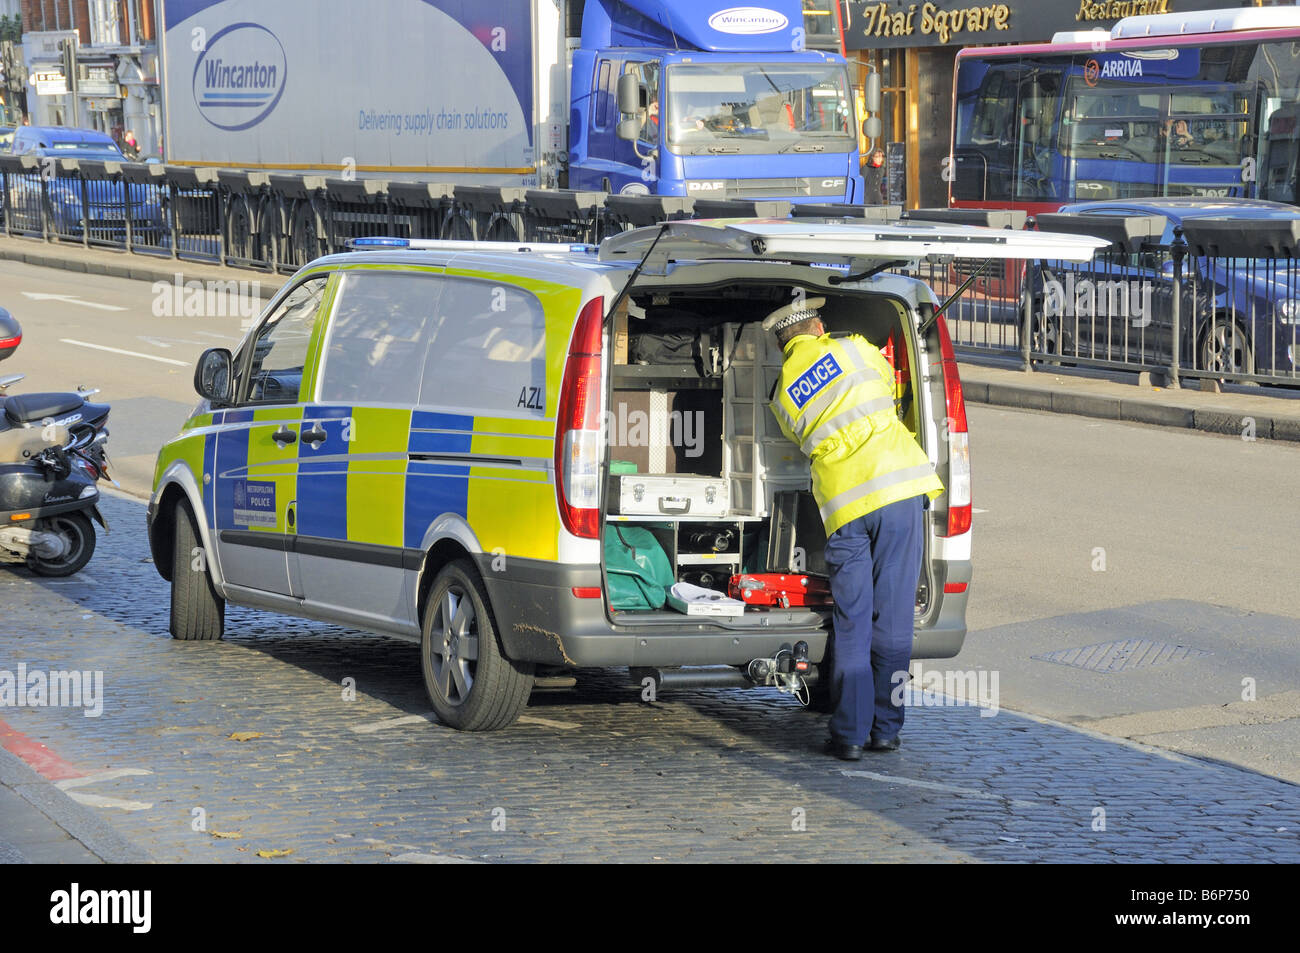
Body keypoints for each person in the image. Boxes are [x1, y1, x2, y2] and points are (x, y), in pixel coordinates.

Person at [764, 295, 944, 761]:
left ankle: (847, 736)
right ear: (818, 325)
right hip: (899, 490)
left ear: (783, 342)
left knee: (853, 621)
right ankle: (886, 729)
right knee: (894, 619)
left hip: (844, 506)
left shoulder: (782, 391)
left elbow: (797, 437)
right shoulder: (856, 349)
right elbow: (892, 392)